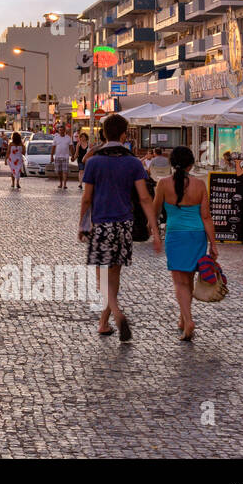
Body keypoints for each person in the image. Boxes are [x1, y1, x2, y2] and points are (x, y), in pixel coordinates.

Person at [78, 114, 160, 341]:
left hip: (101, 225)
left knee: (101, 277)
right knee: (114, 276)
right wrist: (155, 229)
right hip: (124, 226)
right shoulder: (133, 162)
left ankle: (116, 313)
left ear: (104, 134)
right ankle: (104, 323)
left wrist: (82, 224)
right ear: (124, 135)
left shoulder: (93, 162)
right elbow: (144, 198)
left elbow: (87, 198)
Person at [153, 146, 215, 342]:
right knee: (188, 278)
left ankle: (188, 321)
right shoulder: (199, 185)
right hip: (197, 235)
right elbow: (206, 216)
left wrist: (154, 233)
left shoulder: (163, 184)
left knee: (179, 281)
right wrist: (213, 244)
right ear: (191, 164)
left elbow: (154, 213)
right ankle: (182, 318)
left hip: (176, 235)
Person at [51, 124, 73, 190]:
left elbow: (71, 147)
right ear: (58, 131)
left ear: (64, 130)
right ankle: (60, 182)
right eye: (60, 130)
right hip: (57, 156)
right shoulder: (56, 137)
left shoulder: (68, 138)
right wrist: (51, 156)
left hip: (65, 157)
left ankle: (65, 184)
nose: (61, 131)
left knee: (65, 171)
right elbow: (53, 147)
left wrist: (73, 156)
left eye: (62, 130)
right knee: (58, 171)